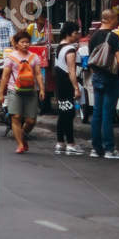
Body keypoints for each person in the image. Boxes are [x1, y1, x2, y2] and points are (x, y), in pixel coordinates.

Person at [87, 8, 119, 159]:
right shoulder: (113, 37)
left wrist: (95, 76)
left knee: (97, 113)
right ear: (110, 19)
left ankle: (96, 149)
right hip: (111, 78)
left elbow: (91, 60)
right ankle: (109, 149)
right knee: (107, 114)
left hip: (97, 77)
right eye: (116, 19)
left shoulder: (93, 37)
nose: (117, 21)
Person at [0, 30, 44, 154]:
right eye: (22, 42)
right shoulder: (11, 58)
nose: (25, 44)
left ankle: (21, 135)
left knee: (31, 120)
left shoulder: (34, 57)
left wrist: (42, 89)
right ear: (16, 44)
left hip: (31, 91)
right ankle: (20, 144)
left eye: (27, 42)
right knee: (16, 117)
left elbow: (38, 74)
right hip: (14, 90)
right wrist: (0, 94)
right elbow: (5, 77)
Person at [52, 22, 83, 155]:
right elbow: (72, 71)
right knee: (69, 114)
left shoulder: (59, 47)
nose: (78, 35)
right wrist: (76, 88)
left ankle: (60, 143)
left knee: (63, 114)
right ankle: (70, 144)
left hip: (60, 84)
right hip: (67, 84)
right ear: (69, 33)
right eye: (76, 32)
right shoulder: (70, 50)